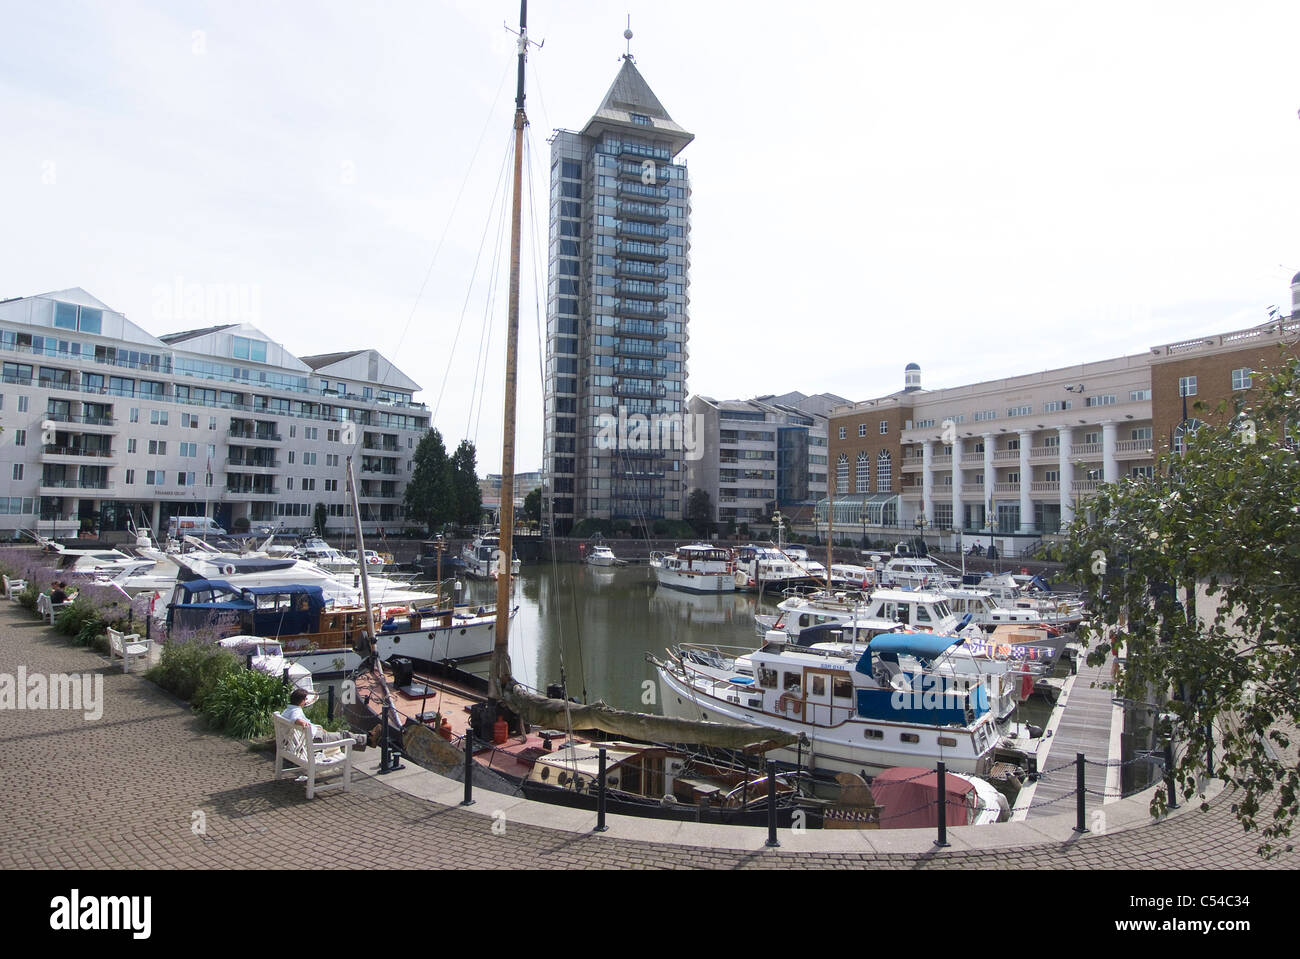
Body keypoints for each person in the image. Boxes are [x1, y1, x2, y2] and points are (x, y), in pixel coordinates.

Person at [280, 688, 366, 751]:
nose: (306, 701)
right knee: (344, 736)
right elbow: (296, 719)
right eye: (305, 699)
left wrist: (315, 727)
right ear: (301, 701)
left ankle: (368, 739)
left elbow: (294, 719)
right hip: (314, 740)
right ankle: (368, 740)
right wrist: (305, 724)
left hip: (299, 742)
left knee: (341, 734)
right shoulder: (296, 711)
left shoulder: (287, 710)